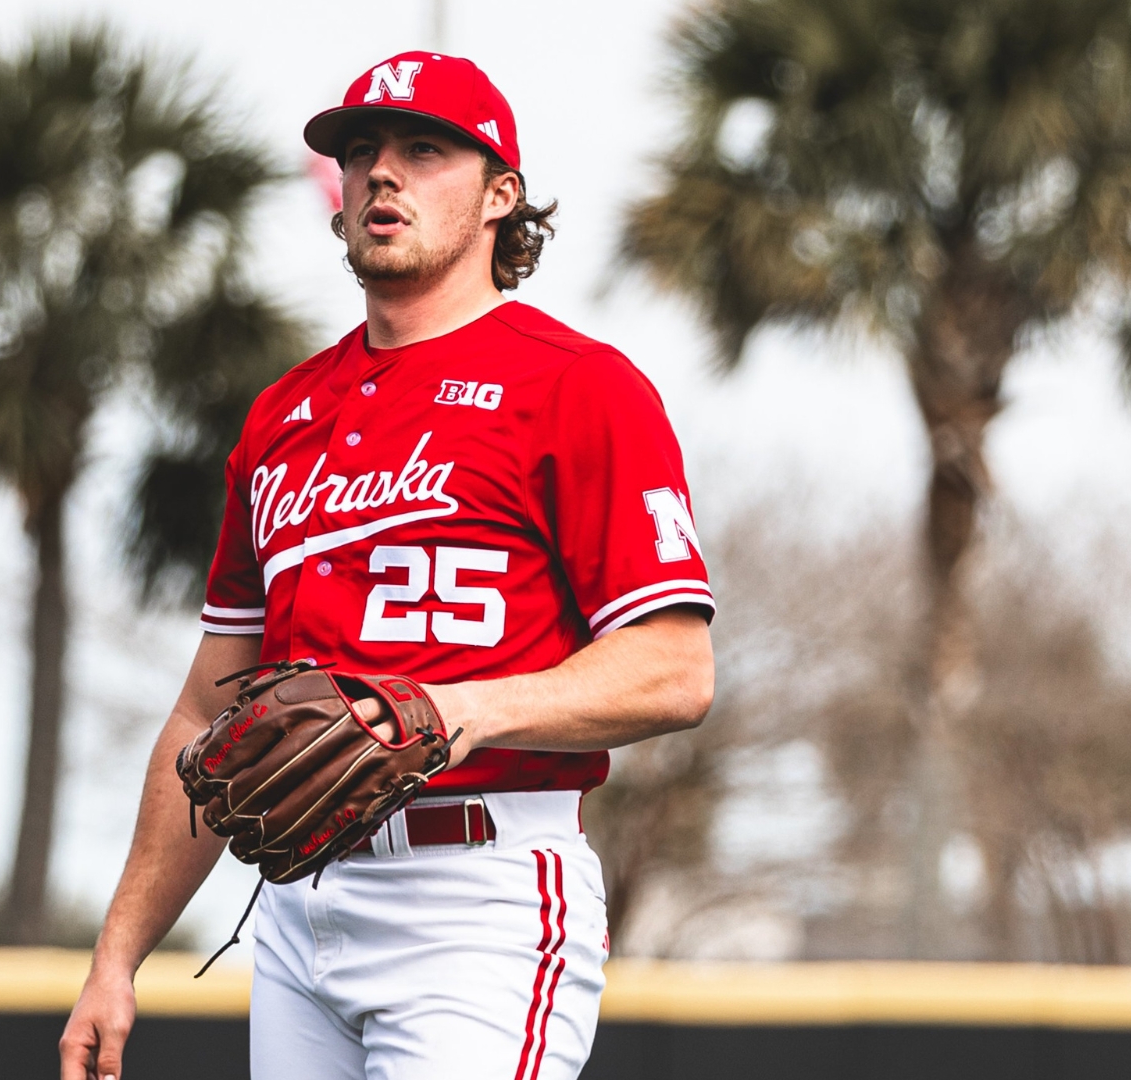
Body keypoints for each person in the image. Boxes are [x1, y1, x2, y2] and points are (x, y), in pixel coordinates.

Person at [60, 51, 715, 1080]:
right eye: (361, 152)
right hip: (296, 909)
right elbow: (203, 713)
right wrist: (117, 954)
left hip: (481, 892)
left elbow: (675, 671)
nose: (381, 174)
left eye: (424, 148)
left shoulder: (580, 388)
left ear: (502, 194)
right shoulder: (283, 416)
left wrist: (460, 712)